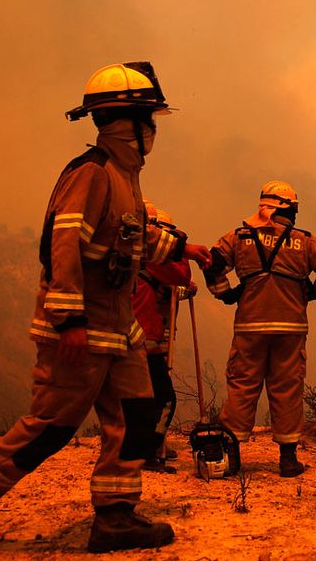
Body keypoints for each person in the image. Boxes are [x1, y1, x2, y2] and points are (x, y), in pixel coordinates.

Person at [0, 62, 211, 553]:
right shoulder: (92, 173)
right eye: (149, 118)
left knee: (137, 416)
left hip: (119, 329)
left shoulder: (125, 177)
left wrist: (181, 248)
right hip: (83, 328)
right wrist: (68, 321)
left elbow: (127, 238)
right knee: (54, 425)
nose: (153, 130)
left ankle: (115, 516)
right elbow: (62, 245)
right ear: (127, 122)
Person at [204, 180, 316, 477]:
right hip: (291, 328)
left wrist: (226, 293)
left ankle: (231, 457)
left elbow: (211, 263)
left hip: (250, 326)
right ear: (288, 209)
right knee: (288, 388)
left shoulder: (239, 237)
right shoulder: (305, 240)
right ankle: (288, 459)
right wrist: (315, 292)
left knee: (242, 386)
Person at [134, 201, 195, 473]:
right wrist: (179, 247)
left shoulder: (128, 255)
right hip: (145, 340)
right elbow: (178, 274)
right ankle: (148, 451)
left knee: (133, 398)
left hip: (136, 337)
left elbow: (161, 286)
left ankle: (138, 448)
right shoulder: (149, 255)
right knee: (163, 398)